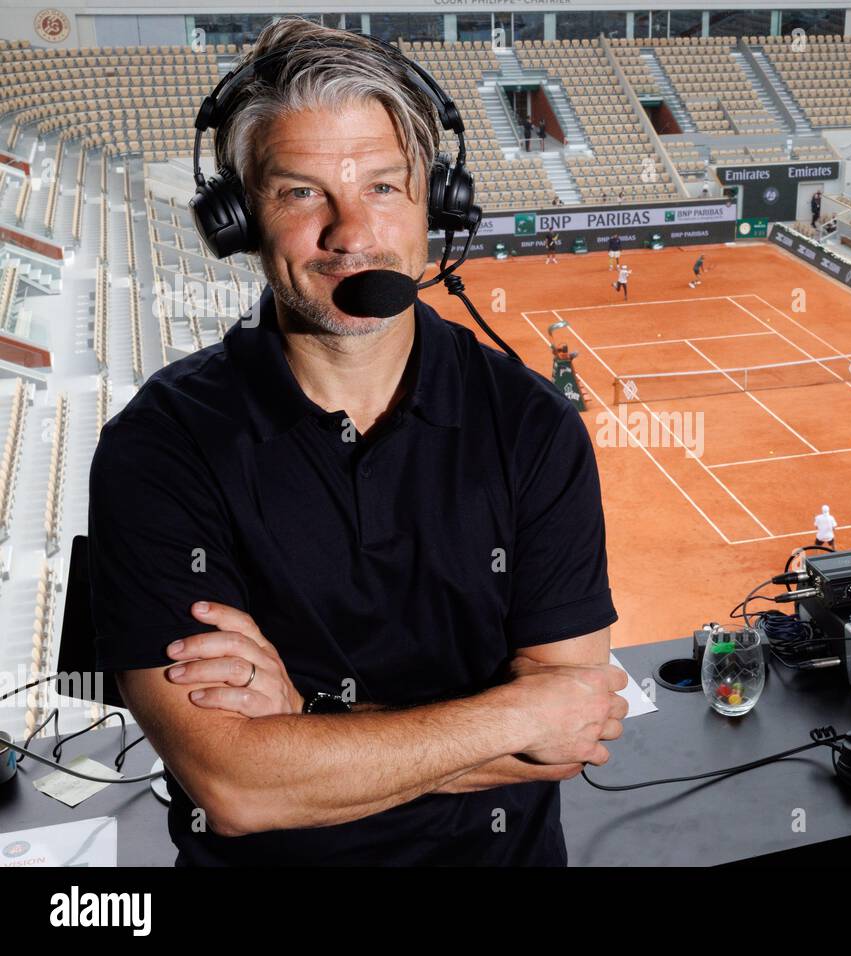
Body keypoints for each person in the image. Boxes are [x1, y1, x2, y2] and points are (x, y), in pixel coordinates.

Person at [87, 18, 626, 867]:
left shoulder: (533, 425)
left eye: (383, 186)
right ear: (236, 219)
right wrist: (516, 713)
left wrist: (301, 736)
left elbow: (570, 736)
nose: (351, 233)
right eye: (300, 192)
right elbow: (233, 788)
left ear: (435, 203)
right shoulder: (158, 448)